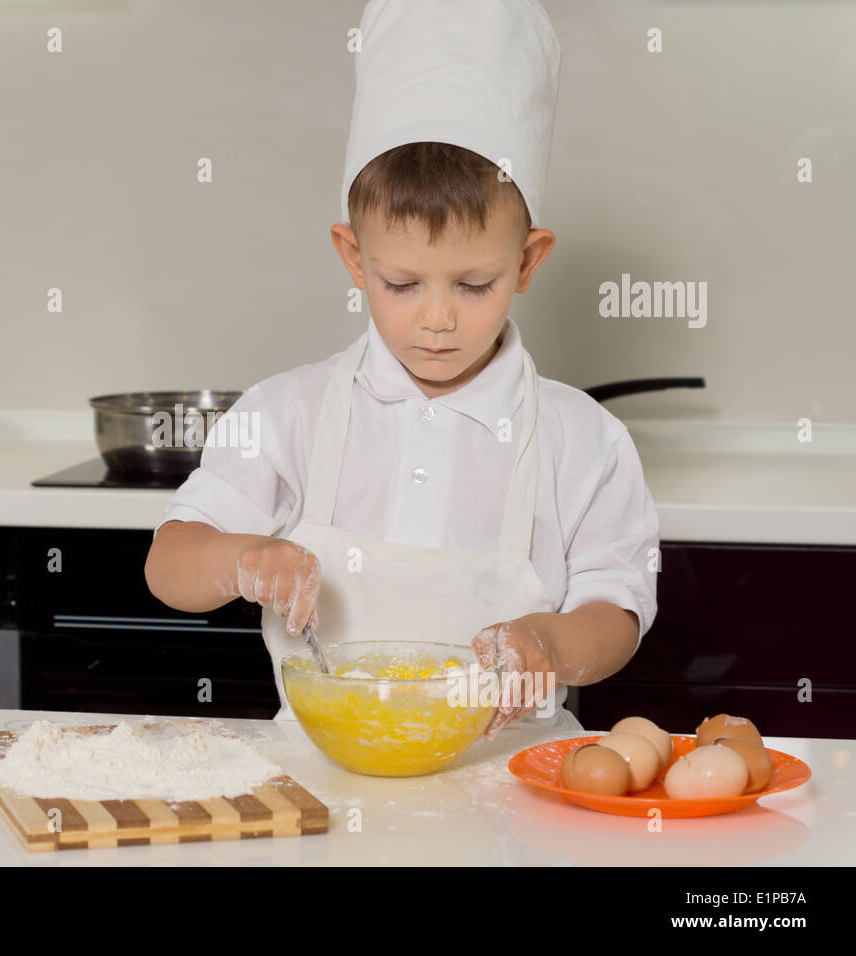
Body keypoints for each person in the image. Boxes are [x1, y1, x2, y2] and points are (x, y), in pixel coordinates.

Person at [144, 0, 659, 737]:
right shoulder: (287, 412)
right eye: (402, 283)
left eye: (474, 284)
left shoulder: (586, 440)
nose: (437, 318)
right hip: (324, 791)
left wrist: (549, 642)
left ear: (529, 259)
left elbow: (617, 613)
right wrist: (241, 558)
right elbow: (170, 563)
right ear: (354, 257)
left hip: (514, 792)